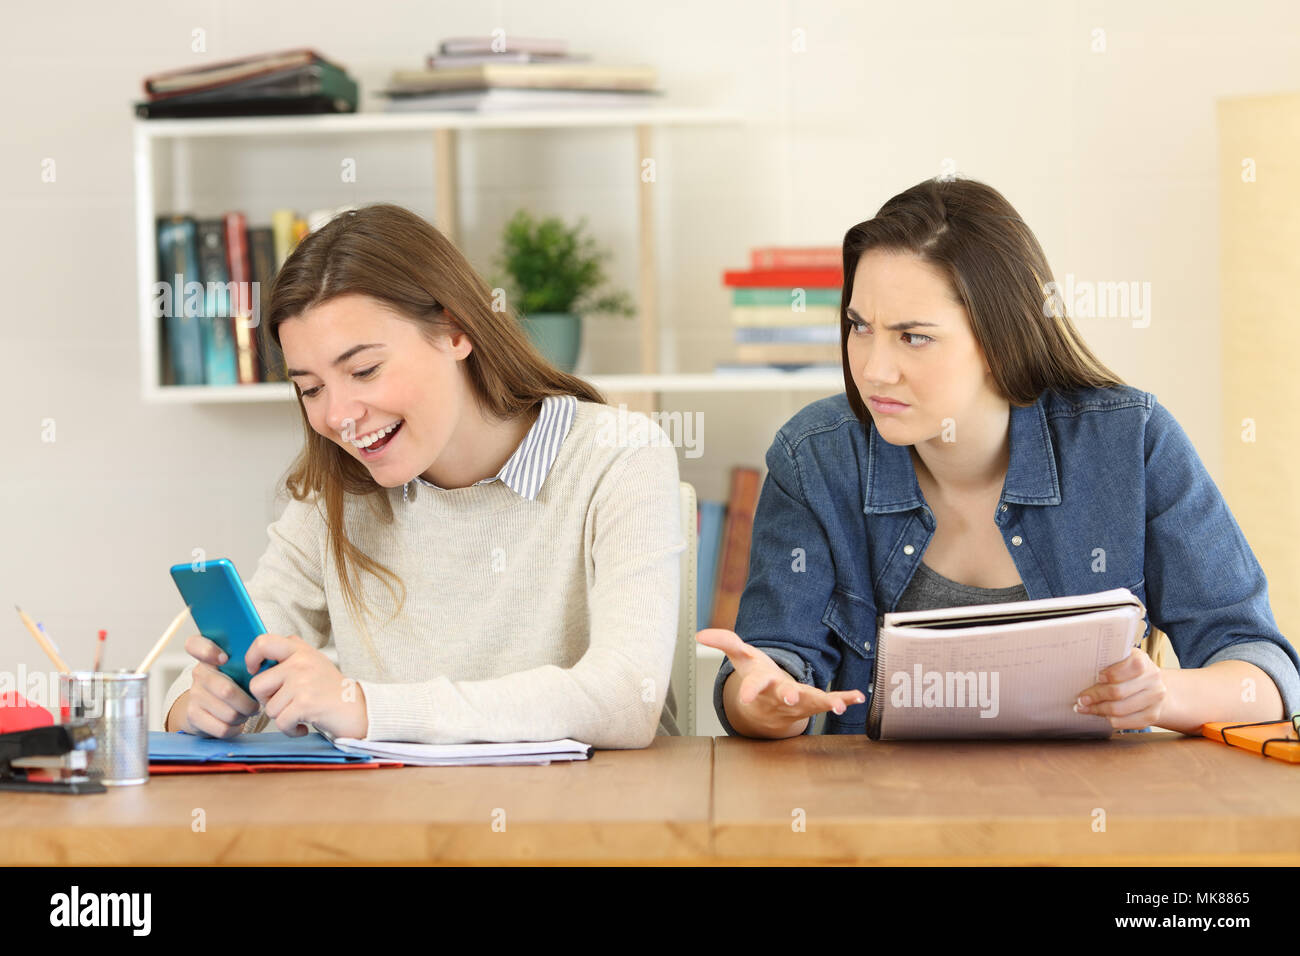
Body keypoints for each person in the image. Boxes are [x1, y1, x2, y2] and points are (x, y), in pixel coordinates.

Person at [699, 177, 1300, 740]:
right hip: (882, 826)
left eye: (914, 336)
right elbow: (769, 668)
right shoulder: (815, 458)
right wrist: (762, 703)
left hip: (1090, 822)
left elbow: (1264, 673)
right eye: (860, 327)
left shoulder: (1130, 443)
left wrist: (1164, 694)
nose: (874, 369)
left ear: (1000, 338)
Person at [163, 203, 684, 748]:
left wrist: (364, 707)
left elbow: (630, 696)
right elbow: (244, 645)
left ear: (455, 331)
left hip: (588, 822)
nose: (338, 415)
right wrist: (198, 705)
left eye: (364, 370)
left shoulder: (616, 455)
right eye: (311, 388)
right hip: (398, 822)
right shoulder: (336, 493)